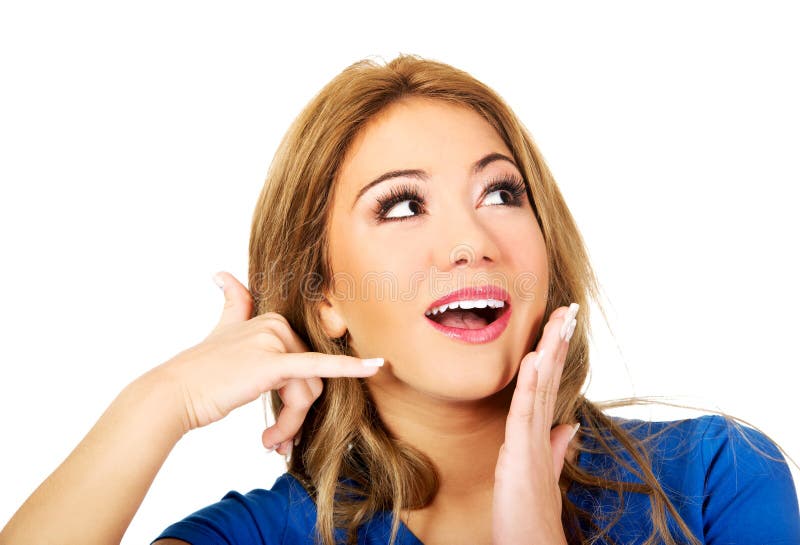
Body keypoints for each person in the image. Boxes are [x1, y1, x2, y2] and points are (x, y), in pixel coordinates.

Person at [1, 54, 798, 545]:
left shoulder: (714, 478)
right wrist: (160, 399)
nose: (469, 241)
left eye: (500, 192)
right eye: (402, 204)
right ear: (326, 302)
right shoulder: (266, 536)